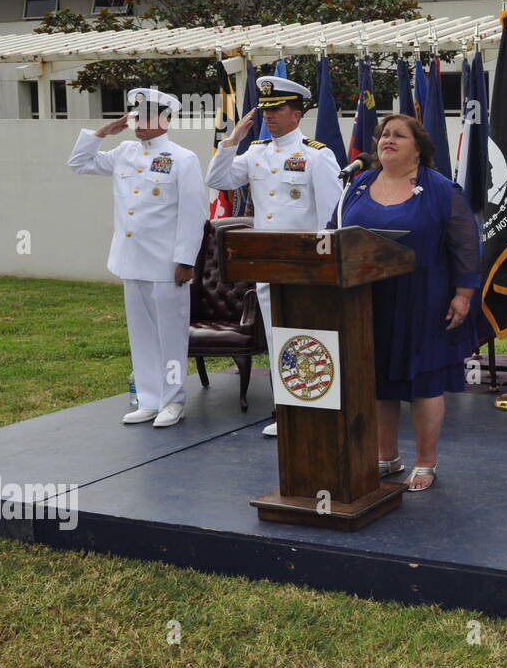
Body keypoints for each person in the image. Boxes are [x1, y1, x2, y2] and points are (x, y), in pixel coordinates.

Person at [330, 114, 480, 490]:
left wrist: (464, 294)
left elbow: (466, 244)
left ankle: (425, 461)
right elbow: (335, 235)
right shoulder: (358, 185)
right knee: (377, 380)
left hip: (423, 298)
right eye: (383, 135)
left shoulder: (441, 189)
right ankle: (386, 456)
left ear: (419, 147)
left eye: (398, 135)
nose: (387, 140)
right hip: (366, 299)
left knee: (423, 381)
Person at [205, 76, 342, 437]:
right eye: (266, 110)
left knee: (310, 337)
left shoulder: (316, 154)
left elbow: (332, 214)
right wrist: (231, 142)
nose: (269, 116)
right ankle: (287, 410)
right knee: (279, 337)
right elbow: (218, 180)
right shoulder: (255, 152)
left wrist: (326, 264)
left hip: (305, 264)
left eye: (277, 109)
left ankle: (318, 408)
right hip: (266, 263)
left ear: (296, 115)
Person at [67, 88, 205, 427]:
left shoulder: (181, 158)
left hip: (165, 264)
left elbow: (192, 214)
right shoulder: (124, 152)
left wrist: (186, 261)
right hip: (131, 259)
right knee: (141, 335)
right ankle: (149, 398)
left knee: (170, 336)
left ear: (166, 120)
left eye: (147, 116)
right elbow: (78, 164)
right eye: (135, 115)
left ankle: (173, 401)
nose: (138, 123)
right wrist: (100, 134)